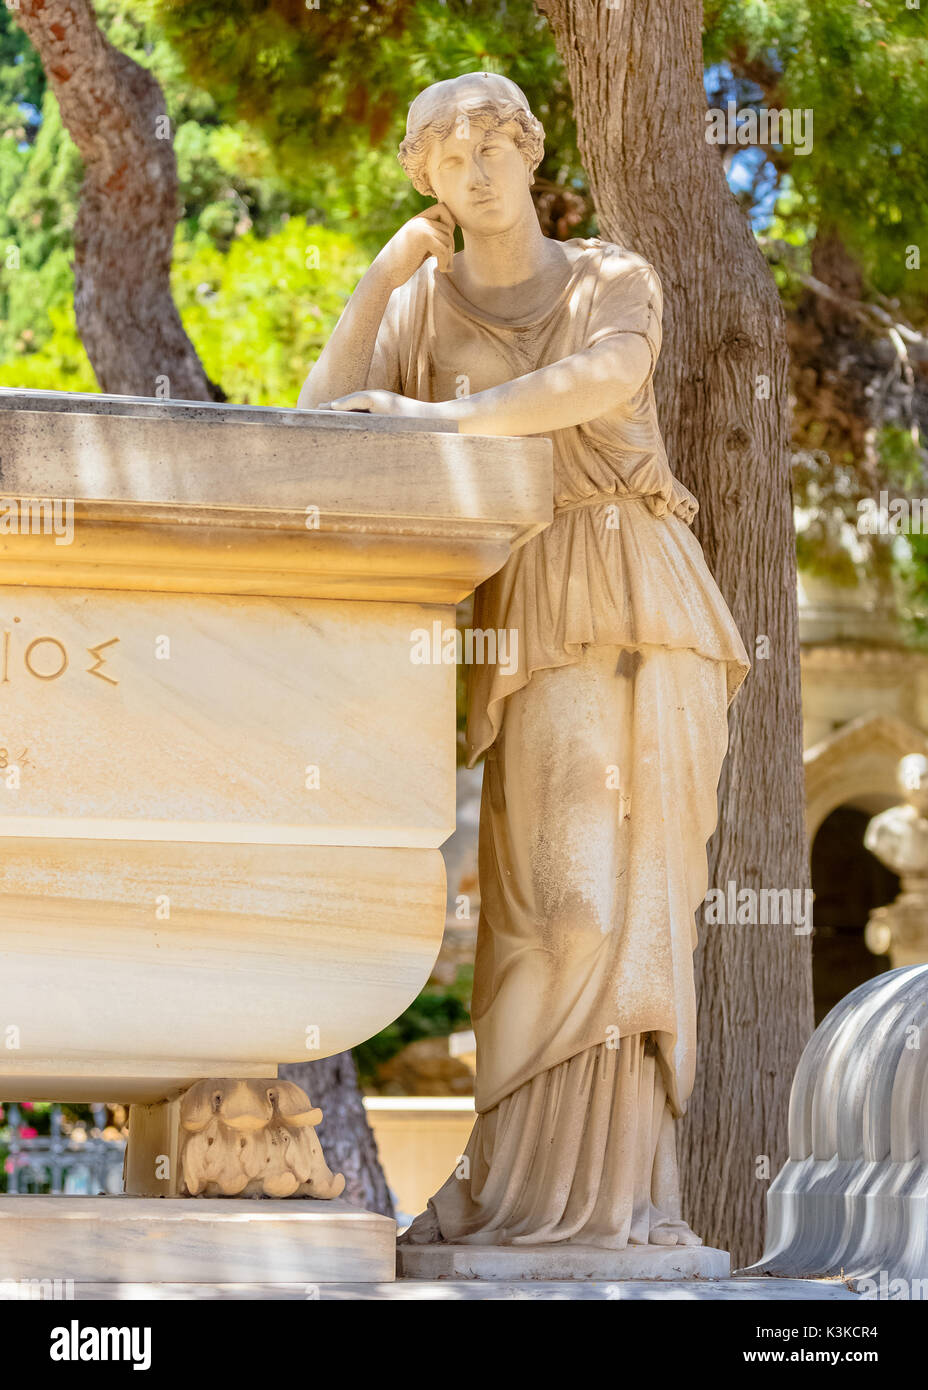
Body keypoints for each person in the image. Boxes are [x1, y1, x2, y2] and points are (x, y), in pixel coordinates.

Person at [299, 71, 750, 1249]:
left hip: (651, 593)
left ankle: (627, 1205)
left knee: (646, 905)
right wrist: (381, 278)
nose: (480, 168)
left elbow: (604, 378)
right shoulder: (425, 305)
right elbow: (314, 424)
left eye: (498, 143)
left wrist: (439, 424)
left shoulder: (611, 276)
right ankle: (519, 1192)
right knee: (562, 904)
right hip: (537, 609)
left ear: (532, 155)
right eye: (453, 156)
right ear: (427, 179)